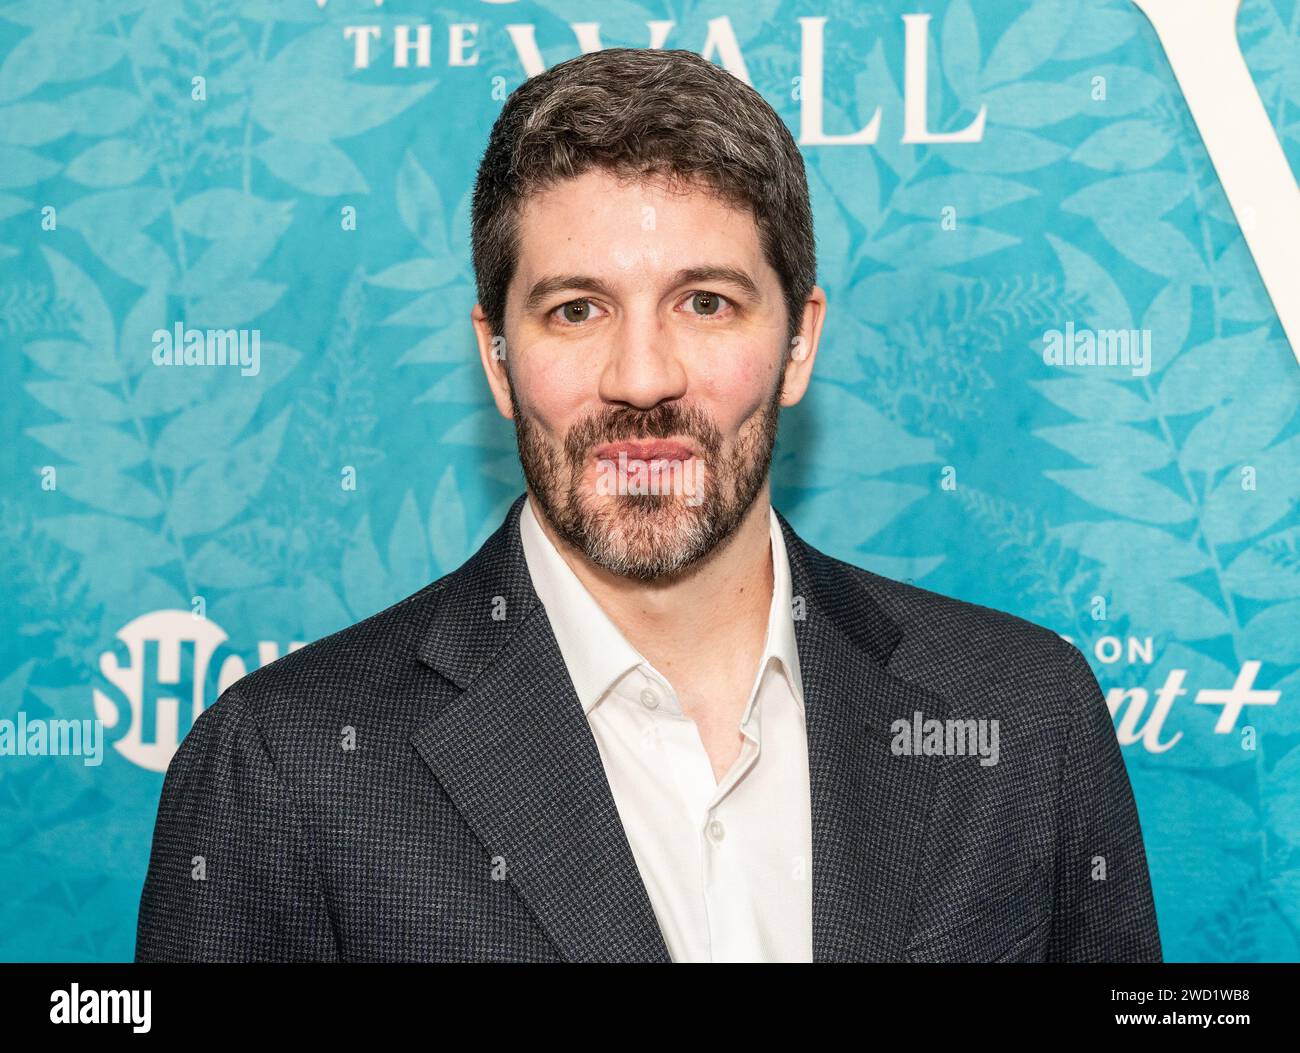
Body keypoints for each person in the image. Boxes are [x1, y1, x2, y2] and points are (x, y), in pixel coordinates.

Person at [135, 47, 1160, 963]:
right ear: (496, 359)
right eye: (576, 310)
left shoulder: (1022, 712)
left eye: (705, 302)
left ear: (799, 342)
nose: (641, 377)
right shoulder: (285, 763)